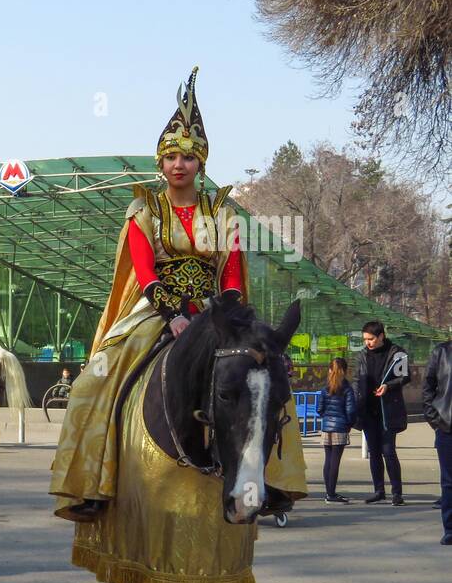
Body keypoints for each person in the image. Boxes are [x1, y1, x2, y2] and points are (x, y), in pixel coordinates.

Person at [50, 66, 305, 521]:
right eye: (170, 157)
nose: (178, 165)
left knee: (265, 374)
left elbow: (230, 272)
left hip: (215, 313)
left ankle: (277, 481)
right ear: (160, 163)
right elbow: (145, 272)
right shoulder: (143, 209)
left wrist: (222, 314)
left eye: (188, 158)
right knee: (93, 380)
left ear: (200, 163)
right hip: (153, 309)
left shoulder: (222, 213)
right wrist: (172, 315)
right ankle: (93, 484)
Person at [354, 321, 408, 505]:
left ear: (381, 336)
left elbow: (405, 376)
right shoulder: (362, 355)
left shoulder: (397, 353)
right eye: (365, 339)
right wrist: (356, 401)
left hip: (388, 410)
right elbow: (356, 379)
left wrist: (388, 386)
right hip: (368, 410)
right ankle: (379, 490)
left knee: (388, 452)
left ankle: (397, 493)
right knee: (374, 453)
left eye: (371, 339)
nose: (367, 343)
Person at [422, 337, 452, 542]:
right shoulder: (441, 353)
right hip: (447, 426)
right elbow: (428, 388)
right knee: (449, 481)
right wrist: (436, 420)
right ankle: (450, 529)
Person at [318, 357, 358, 503]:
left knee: (328, 460)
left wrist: (327, 418)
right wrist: (349, 424)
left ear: (330, 370)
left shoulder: (325, 388)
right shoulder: (347, 388)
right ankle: (332, 494)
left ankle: (328, 493)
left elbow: (319, 409)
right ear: (345, 371)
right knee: (335, 461)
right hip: (340, 427)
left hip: (326, 427)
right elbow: (351, 411)